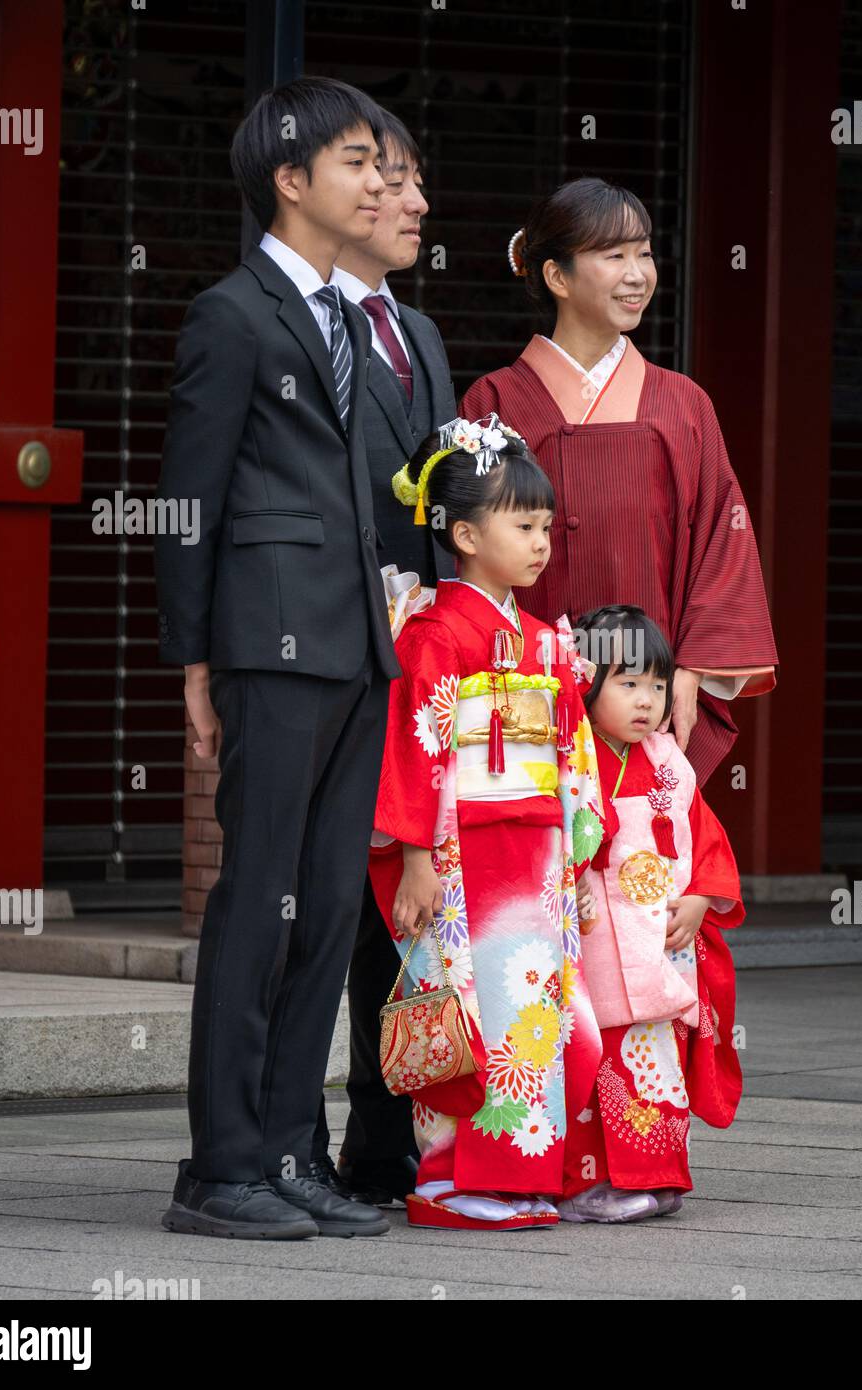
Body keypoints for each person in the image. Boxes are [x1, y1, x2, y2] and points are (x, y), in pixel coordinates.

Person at [154, 76, 394, 1239]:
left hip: (362, 649)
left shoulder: (356, 321)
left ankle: (295, 1149)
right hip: (269, 643)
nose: (379, 180)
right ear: (290, 181)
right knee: (259, 899)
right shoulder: (231, 313)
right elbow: (187, 497)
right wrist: (193, 661)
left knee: (332, 905)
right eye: (356, 160)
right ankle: (221, 1165)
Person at [367, 414, 609, 1230]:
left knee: (535, 1012)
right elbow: (421, 746)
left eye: (546, 526)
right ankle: (449, 1182)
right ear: (464, 534)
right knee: (472, 1008)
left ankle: (523, 1176)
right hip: (464, 856)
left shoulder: (545, 644)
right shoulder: (436, 634)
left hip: (536, 860)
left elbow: (575, 757)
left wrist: (579, 859)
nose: (541, 543)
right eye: (523, 525)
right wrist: (415, 858)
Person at [459, 177, 778, 788]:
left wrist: (687, 672)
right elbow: (467, 554)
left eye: (645, 252)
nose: (638, 274)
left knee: (638, 869)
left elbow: (723, 542)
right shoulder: (494, 401)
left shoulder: (683, 404)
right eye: (614, 256)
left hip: (642, 699)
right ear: (557, 275)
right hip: (524, 693)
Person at [308, 102, 458, 1208]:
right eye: (386, 179)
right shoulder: (312, 327)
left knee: (403, 904)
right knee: (326, 896)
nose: (409, 202)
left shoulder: (424, 334)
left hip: (420, 668)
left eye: (412, 183)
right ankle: (288, 1137)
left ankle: (385, 1130)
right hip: (333, 648)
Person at [555, 606, 744, 1222]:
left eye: (657, 686)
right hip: (596, 946)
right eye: (628, 683)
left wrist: (698, 897)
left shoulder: (669, 764)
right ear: (587, 683)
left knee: (654, 1059)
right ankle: (587, 1186)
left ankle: (658, 1175)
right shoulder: (571, 758)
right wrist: (565, 883)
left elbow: (704, 836)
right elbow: (550, 837)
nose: (647, 702)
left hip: (658, 944)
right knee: (595, 1057)